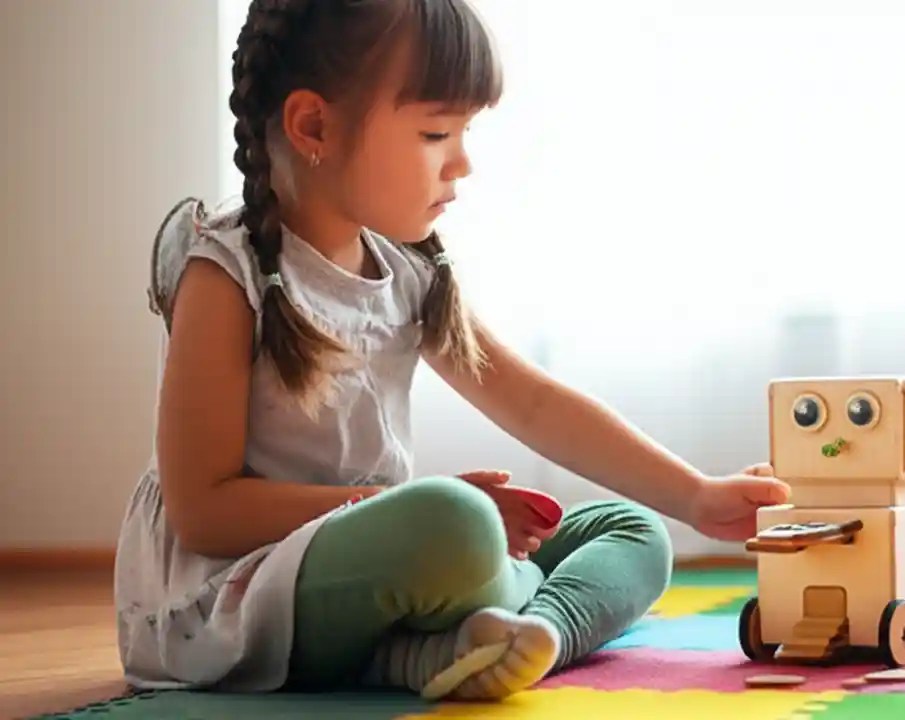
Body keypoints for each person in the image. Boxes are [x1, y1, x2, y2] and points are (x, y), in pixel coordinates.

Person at [113, 0, 790, 703]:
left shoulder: (407, 270)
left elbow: (533, 404)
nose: (462, 163)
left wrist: (696, 496)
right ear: (313, 124)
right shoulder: (227, 272)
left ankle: (525, 638)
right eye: (437, 132)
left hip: (396, 563)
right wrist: (409, 506)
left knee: (633, 530)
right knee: (453, 521)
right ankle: (479, 620)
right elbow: (204, 513)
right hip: (240, 595)